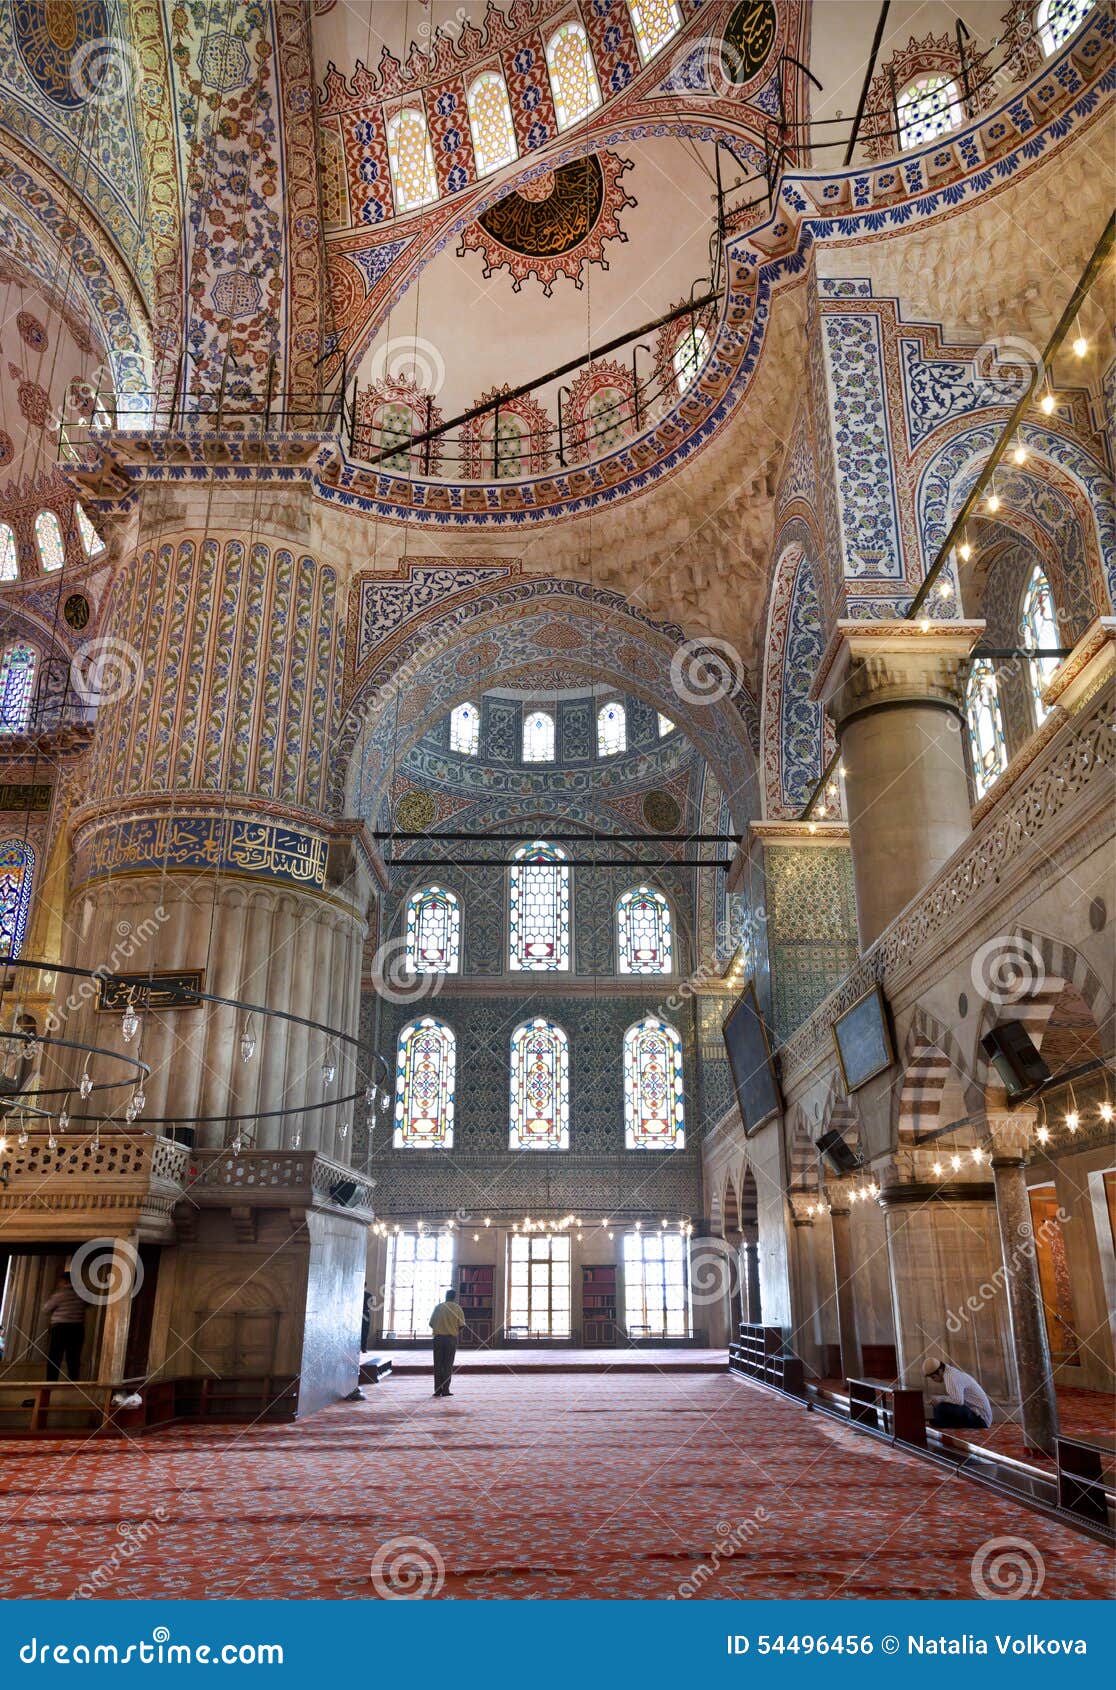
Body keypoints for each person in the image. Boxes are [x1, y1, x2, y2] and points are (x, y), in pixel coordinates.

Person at [41, 1269, 87, 1382]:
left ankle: (51, 1381)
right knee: (73, 1357)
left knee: (55, 1357)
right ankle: (73, 1381)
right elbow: (87, 1305)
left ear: (64, 1281)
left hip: (60, 1328)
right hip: (77, 1329)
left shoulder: (60, 1294)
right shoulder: (81, 1295)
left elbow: (46, 1309)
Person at [923, 1356, 993, 1429]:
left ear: (940, 1370)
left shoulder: (950, 1377)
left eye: (933, 1377)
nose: (933, 1380)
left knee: (941, 1406)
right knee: (938, 1405)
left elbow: (958, 1401)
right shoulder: (950, 1372)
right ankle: (942, 1422)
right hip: (973, 1412)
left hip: (981, 1419)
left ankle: (942, 1423)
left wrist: (939, 1399)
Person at [429, 1288, 466, 1398]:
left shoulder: (438, 1307)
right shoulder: (457, 1308)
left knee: (438, 1364)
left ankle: (437, 1390)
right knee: (448, 1365)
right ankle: (445, 1390)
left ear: (446, 1296)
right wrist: (453, 1332)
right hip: (450, 1339)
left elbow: (431, 1324)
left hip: (438, 1339)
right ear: (454, 1297)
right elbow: (462, 1325)